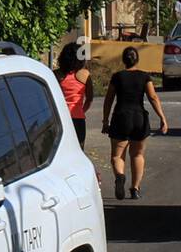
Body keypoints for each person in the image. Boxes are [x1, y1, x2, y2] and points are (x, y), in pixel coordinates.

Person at [101, 46, 169, 200]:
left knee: (117, 156)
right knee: (138, 154)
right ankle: (135, 188)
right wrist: (162, 118)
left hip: (121, 118)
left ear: (123, 60)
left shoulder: (117, 77)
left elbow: (108, 99)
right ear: (137, 59)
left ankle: (120, 176)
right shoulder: (145, 77)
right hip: (139, 118)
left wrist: (105, 121)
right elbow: (153, 98)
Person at [55, 41, 95, 143]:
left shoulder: (56, 74)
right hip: (78, 119)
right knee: (79, 151)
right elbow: (90, 98)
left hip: (59, 118)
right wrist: (81, 110)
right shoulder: (85, 75)